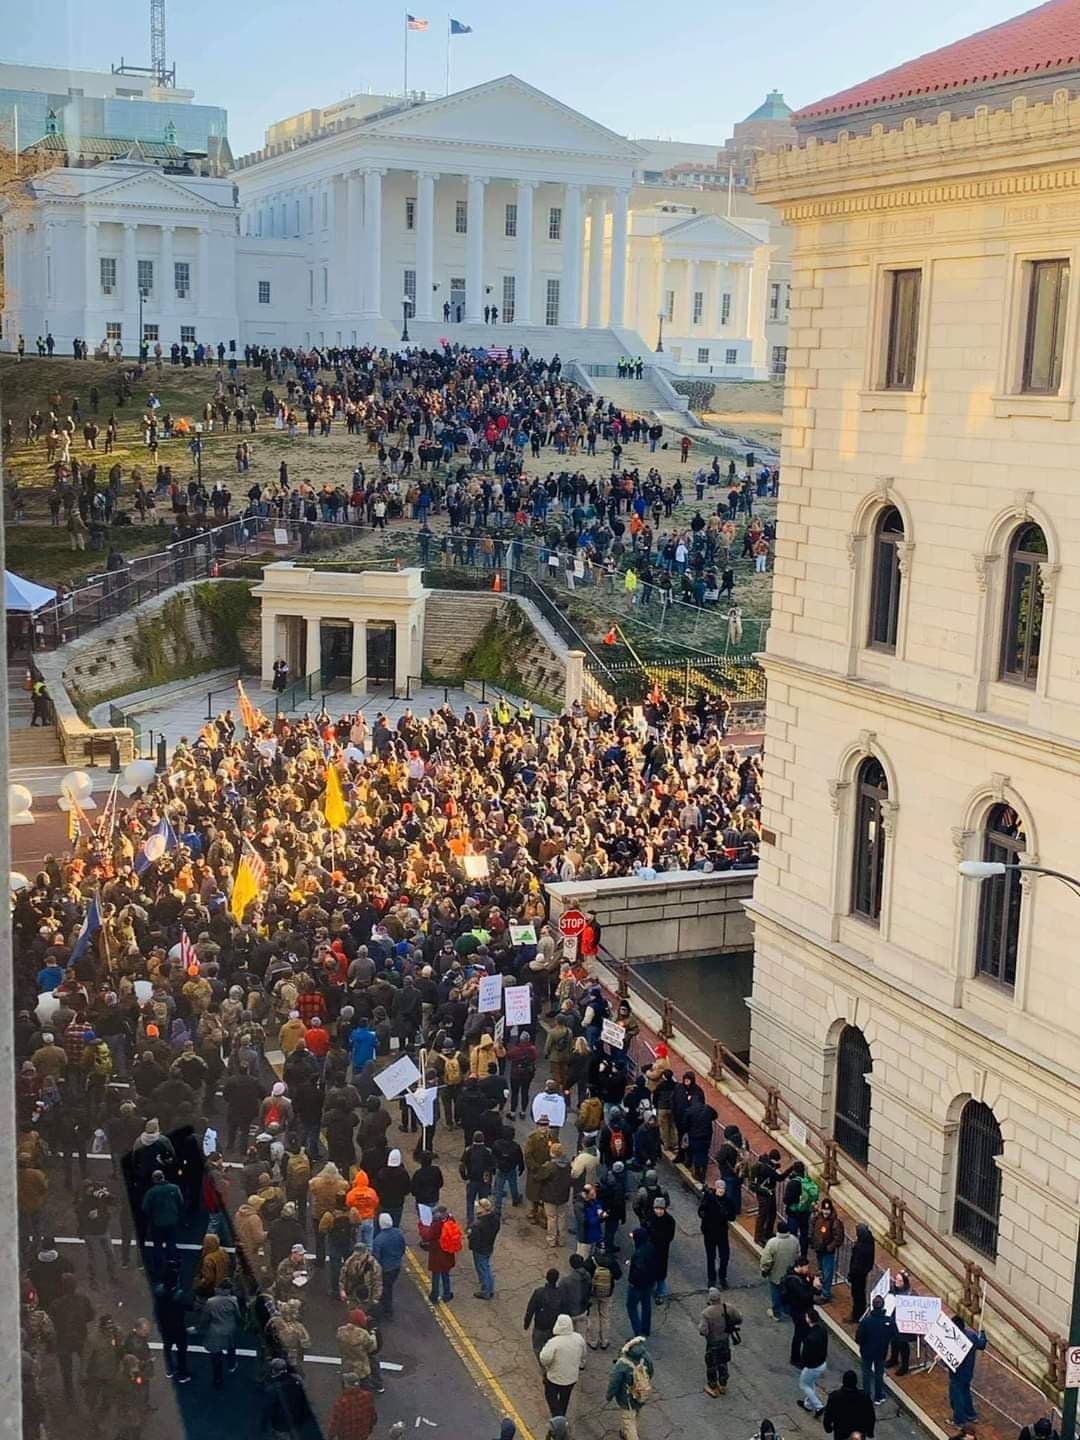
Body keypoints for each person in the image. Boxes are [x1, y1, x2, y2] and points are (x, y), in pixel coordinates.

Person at [606, 1336, 654, 1440]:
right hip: (641, 1393)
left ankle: (630, 1435)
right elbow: (651, 1372)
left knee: (628, 1420)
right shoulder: (646, 1357)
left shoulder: (622, 1364)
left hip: (627, 1397)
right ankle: (625, 1433)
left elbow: (614, 1382)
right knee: (636, 1414)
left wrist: (609, 1395)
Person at [539, 1314, 586, 1417]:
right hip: (571, 1378)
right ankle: (562, 1416)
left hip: (554, 1378)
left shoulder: (554, 1342)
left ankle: (557, 1421)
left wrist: (547, 1367)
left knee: (551, 1398)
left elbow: (544, 1358)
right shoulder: (578, 1338)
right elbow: (583, 1354)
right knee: (564, 1399)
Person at [699, 1286, 741, 1397]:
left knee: (711, 1364)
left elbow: (703, 1331)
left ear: (710, 1299)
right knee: (723, 1362)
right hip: (725, 1340)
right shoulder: (728, 1308)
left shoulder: (706, 1313)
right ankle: (723, 1385)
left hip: (713, 1342)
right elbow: (739, 1318)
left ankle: (713, 1386)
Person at [856, 1295, 896, 1404]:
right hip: (881, 1352)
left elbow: (858, 1338)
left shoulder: (866, 1322)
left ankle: (866, 1397)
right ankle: (878, 1396)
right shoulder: (888, 1321)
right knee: (879, 1374)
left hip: (866, 1352)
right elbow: (894, 1335)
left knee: (866, 1374)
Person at [948, 1315, 987, 1426]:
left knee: (957, 1397)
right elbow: (982, 1345)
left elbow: (949, 1360)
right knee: (965, 1392)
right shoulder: (972, 1336)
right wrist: (983, 1334)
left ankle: (959, 1420)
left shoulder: (953, 1341)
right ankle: (971, 1414)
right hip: (968, 1372)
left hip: (957, 1374)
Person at [203, 1279, 242, 1387]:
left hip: (216, 1330)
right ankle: (231, 1364)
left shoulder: (210, 1301)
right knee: (231, 1346)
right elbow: (238, 1315)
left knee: (216, 1355)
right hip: (230, 1328)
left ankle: (218, 1379)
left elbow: (206, 1317)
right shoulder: (233, 1300)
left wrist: (201, 1326)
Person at [760, 1220, 800, 1319]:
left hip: (776, 1272)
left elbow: (766, 1259)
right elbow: (798, 1255)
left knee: (776, 1291)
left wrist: (764, 1269)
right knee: (788, 1292)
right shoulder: (794, 1240)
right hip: (790, 1273)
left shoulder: (773, 1243)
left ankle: (776, 1313)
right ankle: (787, 1310)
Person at [823, 1370, 877, 1440]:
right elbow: (870, 1416)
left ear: (843, 1381)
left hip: (841, 1431)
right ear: (856, 1382)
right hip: (858, 1432)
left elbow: (828, 1414)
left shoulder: (835, 1396)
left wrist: (828, 1427)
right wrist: (870, 1432)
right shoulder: (864, 1397)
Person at [811, 1196, 845, 1304]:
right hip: (818, 1249)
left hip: (827, 1252)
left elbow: (838, 1238)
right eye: (824, 1209)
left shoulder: (835, 1222)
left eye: (828, 1210)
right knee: (821, 1270)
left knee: (827, 1272)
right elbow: (813, 1229)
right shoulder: (818, 1218)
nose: (826, 1212)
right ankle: (821, 1289)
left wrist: (829, 1247)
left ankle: (826, 1294)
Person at [586, 1246, 620, 1351]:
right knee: (605, 1316)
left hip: (593, 1293)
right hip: (607, 1293)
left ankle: (593, 1341)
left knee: (594, 1316)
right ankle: (604, 1341)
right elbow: (618, 1275)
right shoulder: (612, 1261)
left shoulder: (591, 1261)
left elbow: (586, 1275)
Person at [698, 1178, 731, 1289]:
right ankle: (711, 1279)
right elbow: (700, 1211)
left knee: (724, 1256)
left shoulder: (727, 1200)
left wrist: (726, 1214)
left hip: (722, 1233)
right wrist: (706, 1216)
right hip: (709, 1232)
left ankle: (722, 1277)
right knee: (711, 1257)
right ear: (716, 1188)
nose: (721, 1190)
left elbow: (732, 1216)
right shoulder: (708, 1198)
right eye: (719, 1188)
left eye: (723, 1188)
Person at [372, 1213, 405, 1319]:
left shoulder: (379, 1239)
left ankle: (387, 1311)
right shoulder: (398, 1233)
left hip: (385, 1268)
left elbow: (376, 1257)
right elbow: (403, 1247)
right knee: (388, 1287)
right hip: (396, 1266)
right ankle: (386, 1309)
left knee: (385, 1289)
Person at [626, 1227, 657, 1339]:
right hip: (649, 1284)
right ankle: (645, 1328)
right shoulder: (651, 1248)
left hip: (637, 1286)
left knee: (631, 1307)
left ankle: (638, 1333)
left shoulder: (639, 1253)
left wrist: (632, 1282)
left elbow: (639, 1270)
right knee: (646, 1305)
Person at [524, 1268, 561, 1362]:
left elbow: (531, 1308)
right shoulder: (560, 1293)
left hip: (540, 1326)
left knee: (537, 1346)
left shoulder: (539, 1292)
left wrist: (526, 1323)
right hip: (553, 1326)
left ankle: (543, 1364)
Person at [798, 1306, 829, 1416]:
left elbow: (806, 1355)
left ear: (809, 1319)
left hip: (812, 1366)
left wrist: (803, 1364)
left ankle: (818, 1406)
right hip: (822, 1363)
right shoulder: (822, 1329)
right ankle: (808, 1404)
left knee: (804, 1384)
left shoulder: (810, 1338)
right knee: (810, 1383)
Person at [468, 1196, 500, 1300]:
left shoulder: (477, 1225)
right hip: (489, 1246)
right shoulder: (495, 1219)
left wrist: (470, 1235)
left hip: (480, 1250)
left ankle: (485, 1291)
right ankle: (490, 1289)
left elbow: (474, 1241)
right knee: (486, 1267)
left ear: (483, 1208)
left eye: (478, 1207)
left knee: (482, 1269)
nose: (476, 1208)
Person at [848, 1224, 876, 1323]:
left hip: (858, 1275)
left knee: (857, 1295)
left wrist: (851, 1274)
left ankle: (857, 1315)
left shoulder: (861, 1247)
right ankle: (860, 1313)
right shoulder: (869, 1242)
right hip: (863, 1272)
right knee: (860, 1294)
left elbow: (856, 1263)